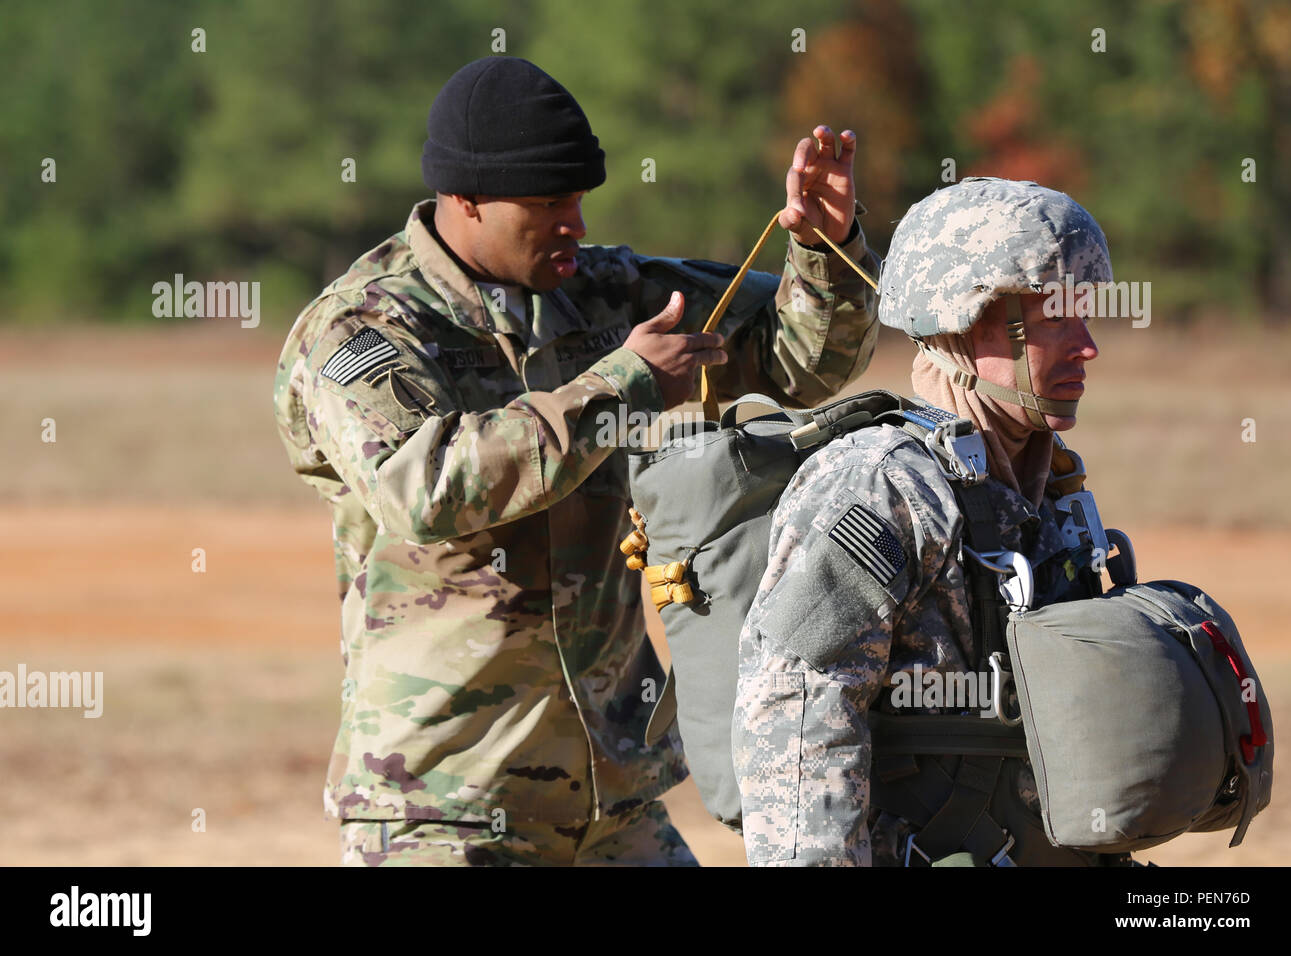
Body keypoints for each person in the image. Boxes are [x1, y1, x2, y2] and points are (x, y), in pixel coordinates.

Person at [272, 55, 879, 866]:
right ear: (465, 200)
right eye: (549, 203)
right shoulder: (365, 328)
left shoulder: (603, 293)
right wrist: (625, 384)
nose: (576, 225)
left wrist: (824, 245)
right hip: (445, 804)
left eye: (580, 199)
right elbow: (425, 490)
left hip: (611, 799)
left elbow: (802, 362)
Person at [733, 176, 1129, 866]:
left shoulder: (1049, 478)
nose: (1088, 345)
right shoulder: (879, 482)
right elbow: (796, 716)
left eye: (1087, 314)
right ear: (969, 322)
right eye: (1057, 317)